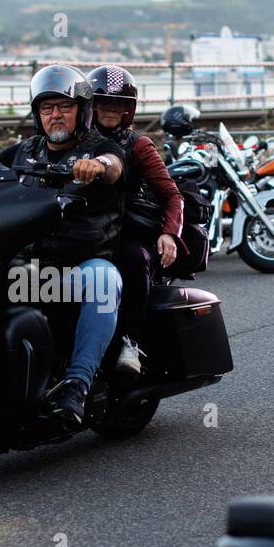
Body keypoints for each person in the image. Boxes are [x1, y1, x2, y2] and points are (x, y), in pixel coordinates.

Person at [0, 64, 125, 426]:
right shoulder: (23, 152)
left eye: (64, 106)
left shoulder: (99, 146)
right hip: (28, 269)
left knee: (104, 279)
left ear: (81, 110)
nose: (55, 115)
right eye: (47, 108)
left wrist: (97, 166)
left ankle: (76, 384)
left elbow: (115, 164)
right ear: (37, 114)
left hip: (75, 270)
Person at [85, 64, 183, 375]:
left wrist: (169, 234)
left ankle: (131, 342)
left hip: (127, 227)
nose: (111, 110)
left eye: (119, 104)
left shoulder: (138, 144)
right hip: (86, 226)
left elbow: (172, 195)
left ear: (129, 109)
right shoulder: (78, 139)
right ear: (91, 105)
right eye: (104, 102)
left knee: (132, 258)